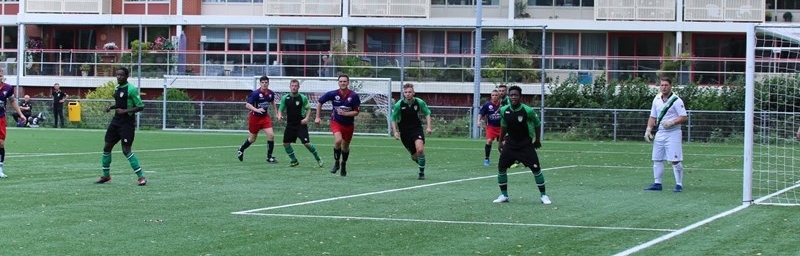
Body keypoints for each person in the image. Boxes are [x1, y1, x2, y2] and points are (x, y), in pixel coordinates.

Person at [492, 85, 551, 205]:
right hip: (510, 144)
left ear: (520, 97)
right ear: (509, 96)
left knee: (536, 169)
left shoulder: (527, 110)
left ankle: (543, 195)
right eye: (511, 95)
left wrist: (537, 140)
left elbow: (537, 124)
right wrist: (500, 142)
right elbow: (504, 126)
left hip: (525, 145)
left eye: (516, 95)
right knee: (501, 168)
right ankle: (504, 195)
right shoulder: (504, 110)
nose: (513, 97)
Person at [95, 67, 148, 186]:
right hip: (116, 122)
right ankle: (106, 175)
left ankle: (141, 177)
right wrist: (111, 107)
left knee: (126, 150)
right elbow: (119, 104)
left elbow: (140, 106)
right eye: (117, 75)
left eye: (121, 75)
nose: (119, 77)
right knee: (107, 147)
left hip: (127, 123)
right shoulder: (117, 88)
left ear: (126, 76)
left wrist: (124, 111)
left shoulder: (132, 89)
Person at [643, 77, 688, 192]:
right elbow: (653, 116)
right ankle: (657, 183)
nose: (663, 87)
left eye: (666, 85)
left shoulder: (676, 100)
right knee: (657, 159)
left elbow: (684, 117)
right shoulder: (657, 99)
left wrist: (672, 122)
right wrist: (648, 129)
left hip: (673, 132)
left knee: (675, 159)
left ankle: (679, 184)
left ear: (670, 86)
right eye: (662, 85)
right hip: (661, 133)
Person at [315, 74, 361, 177]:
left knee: (345, 147)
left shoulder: (353, 96)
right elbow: (320, 102)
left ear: (348, 82)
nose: (342, 83)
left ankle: (343, 164)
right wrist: (317, 117)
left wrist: (345, 113)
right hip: (336, 122)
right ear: (338, 82)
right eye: (341, 81)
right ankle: (336, 162)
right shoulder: (333, 94)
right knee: (338, 140)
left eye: (344, 81)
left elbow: (356, 112)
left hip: (349, 125)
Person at [391, 83, 432, 180]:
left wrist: (429, 127)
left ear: (413, 93)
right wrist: (395, 132)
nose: (408, 94)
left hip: (416, 129)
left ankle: (421, 173)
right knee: (414, 157)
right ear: (403, 94)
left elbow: (427, 113)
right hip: (405, 133)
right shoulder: (399, 105)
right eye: (406, 92)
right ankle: (421, 163)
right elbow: (393, 118)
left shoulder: (419, 102)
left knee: (420, 150)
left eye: (410, 92)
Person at [277, 79, 323, 168]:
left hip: (300, 125)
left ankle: (318, 158)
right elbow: (280, 109)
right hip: (290, 125)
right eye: (292, 86)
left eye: (295, 86)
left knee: (307, 144)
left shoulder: (303, 98)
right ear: (290, 87)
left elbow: (308, 109)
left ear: (298, 87)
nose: (294, 87)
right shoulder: (285, 98)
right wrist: (279, 115)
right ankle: (294, 160)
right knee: (286, 143)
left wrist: (306, 118)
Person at [237, 75, 282, 163]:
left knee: (271, 135)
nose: (264, 84)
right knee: (252, 139)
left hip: (265, 117)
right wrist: (256, 110)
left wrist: (276, 114)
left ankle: (269, 157)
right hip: (254, 118)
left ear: (268, 83)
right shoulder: (255, 93)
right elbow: (247, 105)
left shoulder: (271, 93)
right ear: (260, 83)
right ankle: (241, 149)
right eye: (263, 82)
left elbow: (272, 103)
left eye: (266, 82)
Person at [0, 68, 27, 178]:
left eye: (0, 74)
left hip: (1, 118)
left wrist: (21, 114)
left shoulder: (8, 88)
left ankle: (0, 168)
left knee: (0, 143)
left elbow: (12, 101)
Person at [477, 90, 502, 167]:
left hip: (501, 127)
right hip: (491, 127)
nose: (494, 96)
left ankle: (505, 158)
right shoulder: (487, 105)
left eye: (496, 95)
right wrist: (478, 121)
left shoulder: (502, 105)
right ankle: (487, 158)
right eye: (493, 95)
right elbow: (481, 113)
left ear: (499, 96)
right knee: (489, 140)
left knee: (503, 144)